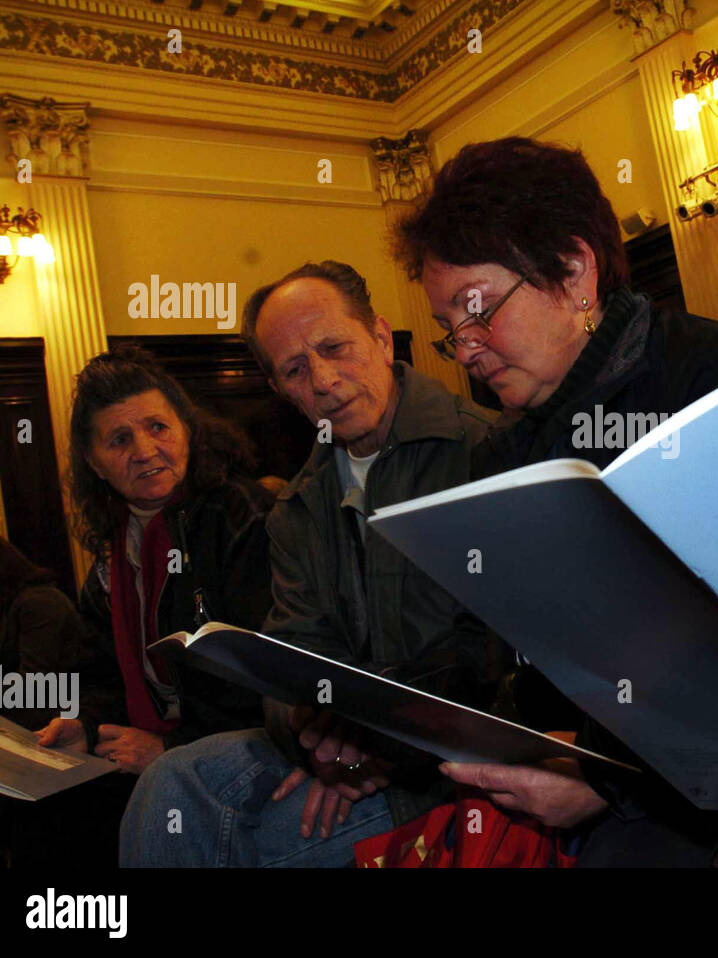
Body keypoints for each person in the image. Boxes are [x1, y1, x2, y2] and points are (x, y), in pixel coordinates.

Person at [393, 137, 718, 866]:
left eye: (478, 310)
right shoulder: (497, 454)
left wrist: (609, 778)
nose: (466, 348)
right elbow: (475, 642)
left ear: (575, 274)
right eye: (449, 328)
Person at [120, 261, 504, 867]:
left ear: (380, 336)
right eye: (296, 369)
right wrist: (312, 738)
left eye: (335, 348)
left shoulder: (484, 452)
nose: (323, 380)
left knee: (259, 845)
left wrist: (368, 743)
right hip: (343, 747)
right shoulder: (296, 506)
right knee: (174, 779)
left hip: (455, 765)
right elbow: (290, 658)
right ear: (280, 390)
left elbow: (494, 658)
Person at [25, 345, 274, 865]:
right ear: (95, 462)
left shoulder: (242, 516)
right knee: (46, 814)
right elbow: (101, 675)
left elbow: (265, 675)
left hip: (246, 742)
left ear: (187, 428)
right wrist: (85, 726)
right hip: (159, 745)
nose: (144, 450)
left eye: (158, 427)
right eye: (120, 439)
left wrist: (169, 747)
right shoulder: (109, 554)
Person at [0, 532, 82, 732]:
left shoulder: (40, 603)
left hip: (55, 724)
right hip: (28, 722)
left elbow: (34, 684)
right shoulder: (4, 610)